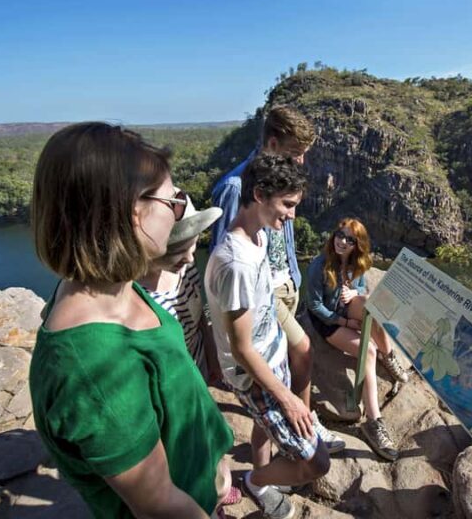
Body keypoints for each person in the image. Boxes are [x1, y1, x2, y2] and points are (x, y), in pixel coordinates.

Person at [29, 122, 234, 519]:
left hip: (202, 490)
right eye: (172, 202)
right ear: (127, 210)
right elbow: (157, 506)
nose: (179, 212)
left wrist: (216, 463)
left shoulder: (117, 287)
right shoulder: (94, 369)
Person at [210, 105, 343, 453]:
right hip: (261, 292)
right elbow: (225, 255)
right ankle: (302, 422)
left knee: (283, 361)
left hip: (286, 285)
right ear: (272, 142)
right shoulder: (236, 186)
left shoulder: (280, 180)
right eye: (295, 153)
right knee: (301, 350)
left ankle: (272, 443)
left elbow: (282, 233)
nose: (300, 162)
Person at [205, 154, 330, 519]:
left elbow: (261, 308)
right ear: (259, 194)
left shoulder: (257, 236)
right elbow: (242, 349)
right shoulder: (235, 262)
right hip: (257, 376)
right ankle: (256, 480)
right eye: (287, 204)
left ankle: (263, 480)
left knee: (265, 432)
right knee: (315, 462)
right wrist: (290, 400)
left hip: (273, 356)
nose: (292, 215)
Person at [306, 218, 410, 461]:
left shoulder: (357, 265)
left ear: (357, 244)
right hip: (329, 321)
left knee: (370, 306)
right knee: (368, 352)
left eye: (349, 239)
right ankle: (374, 422)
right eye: (339, 235)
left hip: (347, 310)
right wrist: (345, 323)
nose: (342, 241)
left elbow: (361, 293)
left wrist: (356, 293)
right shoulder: (319, 265)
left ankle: (390, 356)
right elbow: (314, 305)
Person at [138, 195, 224, 385]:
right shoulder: (138, 299)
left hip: (197, 361)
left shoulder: (185, 269)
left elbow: (199, 315)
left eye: (192, 246)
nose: (190, 259)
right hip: (174, 380)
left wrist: (211, 357)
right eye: (177, 250)